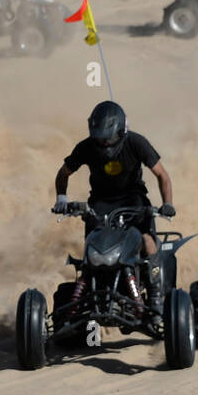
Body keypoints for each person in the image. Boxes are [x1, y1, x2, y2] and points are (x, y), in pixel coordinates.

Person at [53, 101, 176, 310]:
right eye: (100, 139)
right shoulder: (86, 147)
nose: (105, 144)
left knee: (147, 240)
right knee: (92, 251)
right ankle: (87, 297)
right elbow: (63, 173)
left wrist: (167, 204)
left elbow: (162, 175)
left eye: (109, 138)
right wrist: (61, 199)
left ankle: (155, 297)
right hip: (100, 204)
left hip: (134, 201)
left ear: (121, 131)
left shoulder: (137, 143)